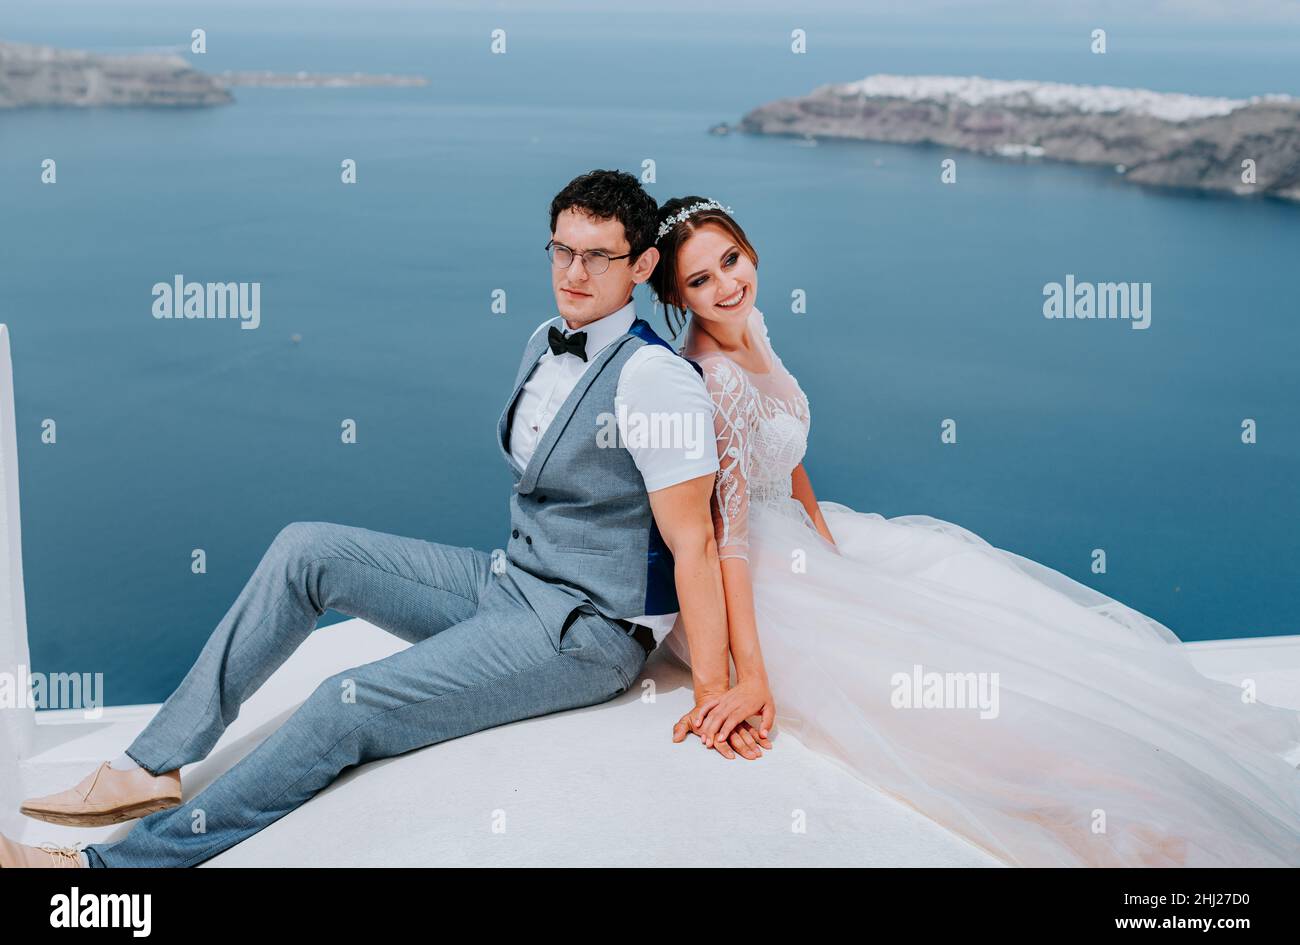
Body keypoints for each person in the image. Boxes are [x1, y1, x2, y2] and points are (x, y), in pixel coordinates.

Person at [1, 170, 737, 868]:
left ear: (641, 266)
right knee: (307, 549)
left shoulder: (655, 381)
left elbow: (692, 542)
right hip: (510, 583)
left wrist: (709, 692)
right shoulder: (544, 339)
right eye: (562, 250)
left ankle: (105, 864)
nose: (573, 272)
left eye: (598, 257)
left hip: (581, 632)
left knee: (343, 704)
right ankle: (148, 763)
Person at [653, 195, 1300, 866]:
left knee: (969, 582)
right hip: (758, 565)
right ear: (675, 292)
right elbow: (725, 529)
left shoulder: (750, 322)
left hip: (803, 535)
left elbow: (788, 462)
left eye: (731, 260)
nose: (727, 285)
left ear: (750, 250)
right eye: (701, 280)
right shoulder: (713, 376)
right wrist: (748, 673)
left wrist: (826, 543)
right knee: (937, 683)